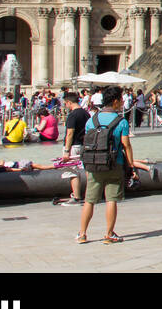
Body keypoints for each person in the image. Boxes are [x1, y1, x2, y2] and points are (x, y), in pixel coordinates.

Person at [78, 86, 151, 244]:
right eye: (121, 99)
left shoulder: (92, 120)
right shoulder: (121, 121)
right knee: (111, 200)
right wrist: (131, 166)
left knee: (89, 200)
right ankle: (109, 234)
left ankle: (82, 234)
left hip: (93, 164)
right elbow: (126, 145)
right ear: (116, 101)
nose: (123, 101)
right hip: (114, 164)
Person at [59, 92, 88, 205]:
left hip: (73, 146)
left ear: (69, 102)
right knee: (86, 170)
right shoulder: (86, 114)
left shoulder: (73, 115)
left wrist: (66, 151)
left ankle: (76, 197)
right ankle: (90, 194)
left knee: (72, 171)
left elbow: (70, 133)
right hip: (83, 144)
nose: (65, 106)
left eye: (66, 104)